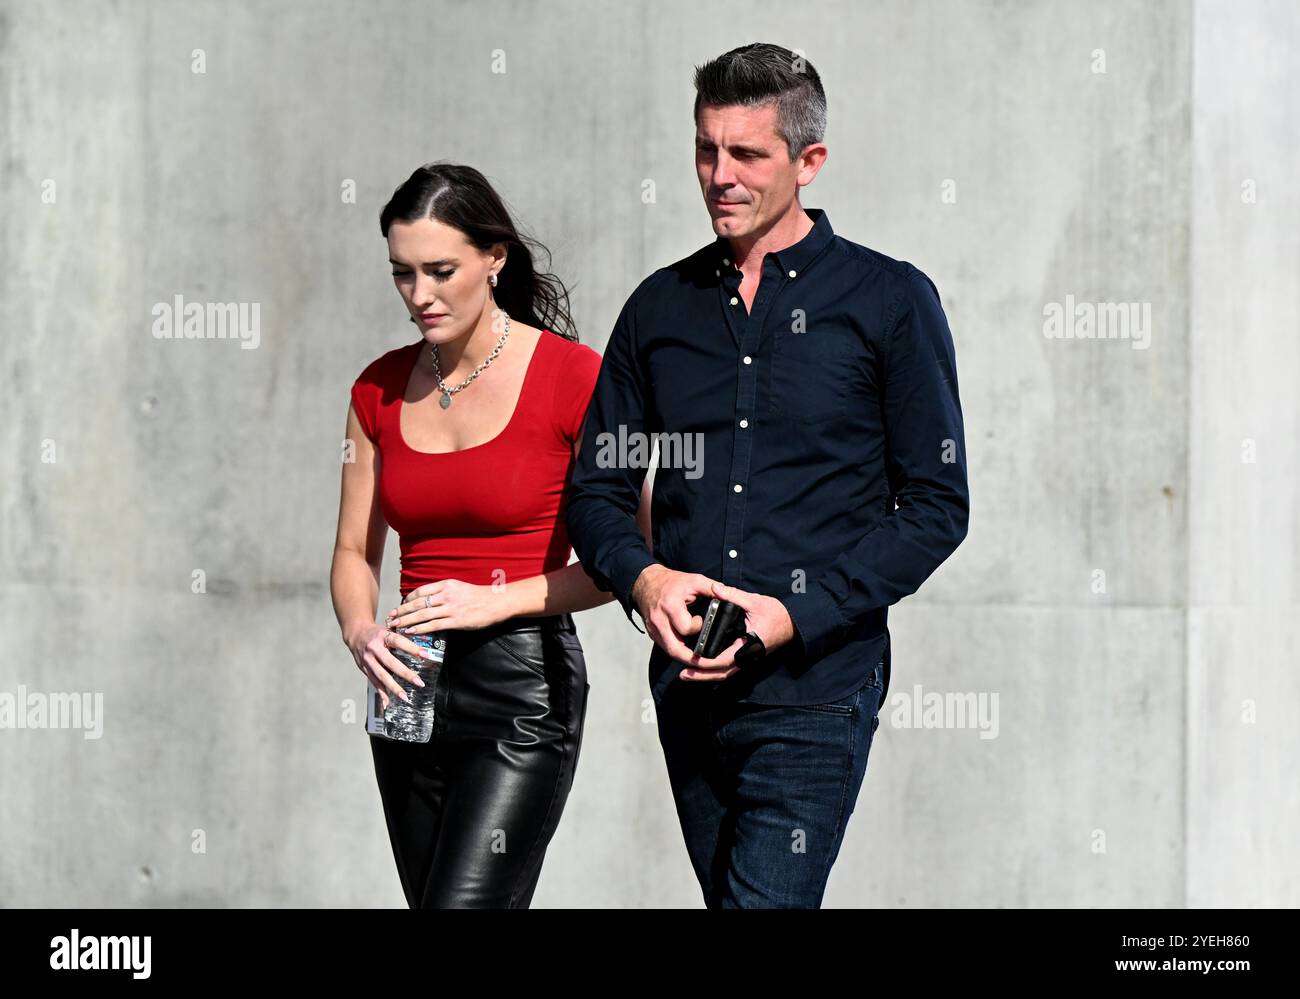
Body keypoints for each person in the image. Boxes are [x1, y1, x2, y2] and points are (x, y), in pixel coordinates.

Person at [565, 43, 970, 908]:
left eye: (747, 153)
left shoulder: (889, 301)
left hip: (817, 687)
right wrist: (647, 579)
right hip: (688, 689)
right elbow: (597, 488)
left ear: (808, 161)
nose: (720, 174)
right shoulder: (657, 309)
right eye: (706, 149)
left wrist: (797, 614)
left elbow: (936, 506)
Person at [330, 162, 648, 908]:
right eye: (402, 274)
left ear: (494, 258)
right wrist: (358, 631)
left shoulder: (576, 377)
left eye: (441, 270)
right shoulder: (375, 388)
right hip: (406, 684)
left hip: (522, 687)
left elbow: (632, 556)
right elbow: (352, 550)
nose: (420, 295)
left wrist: (494, 601)